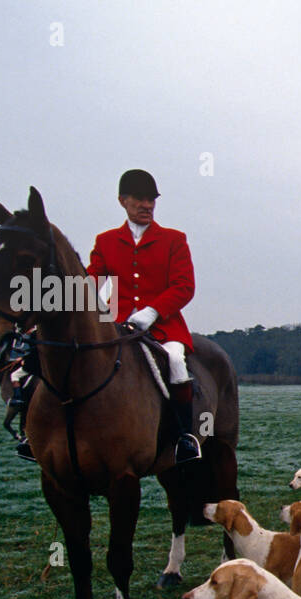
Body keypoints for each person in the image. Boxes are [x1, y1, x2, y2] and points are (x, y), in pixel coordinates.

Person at [86, 169, 201, 462]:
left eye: (151, 199)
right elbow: (91, 285)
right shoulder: (106, 241)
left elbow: (184, 286)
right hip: (117, 324)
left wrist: (151, 312)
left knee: (175, 360)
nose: (146, 205)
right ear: (122, 200)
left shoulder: (174, 239)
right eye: (139, 199)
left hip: (164, 327)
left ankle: (184, 436)